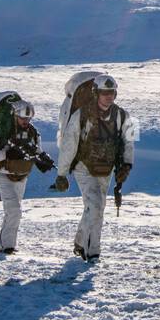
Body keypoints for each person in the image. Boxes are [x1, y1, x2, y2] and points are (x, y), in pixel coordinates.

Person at [54, 75, 136, 262]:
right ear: (96, 93)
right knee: (96, 205)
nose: (108, 96)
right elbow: (69, 144)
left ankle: (81, 242)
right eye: (104, 93)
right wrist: (62, 173)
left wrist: (127, 164)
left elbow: (130, 141)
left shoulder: (124, 116)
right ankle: (92, 252)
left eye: (111, 93)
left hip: (106, 168)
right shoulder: (81, 115)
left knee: (95, 206)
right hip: (84, 167)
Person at [0, 98, 52, 254]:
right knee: (14, 210)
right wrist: (6, 153)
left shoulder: (33, 132)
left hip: (22, 176)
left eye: (28, 118)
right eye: (22, 118)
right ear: (15, 115)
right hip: (3, 175)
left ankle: (3, 244)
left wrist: (44, 159)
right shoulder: (2, 133)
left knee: (13, 211)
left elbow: (37, 150)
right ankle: (7, 246)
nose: (26, 121)